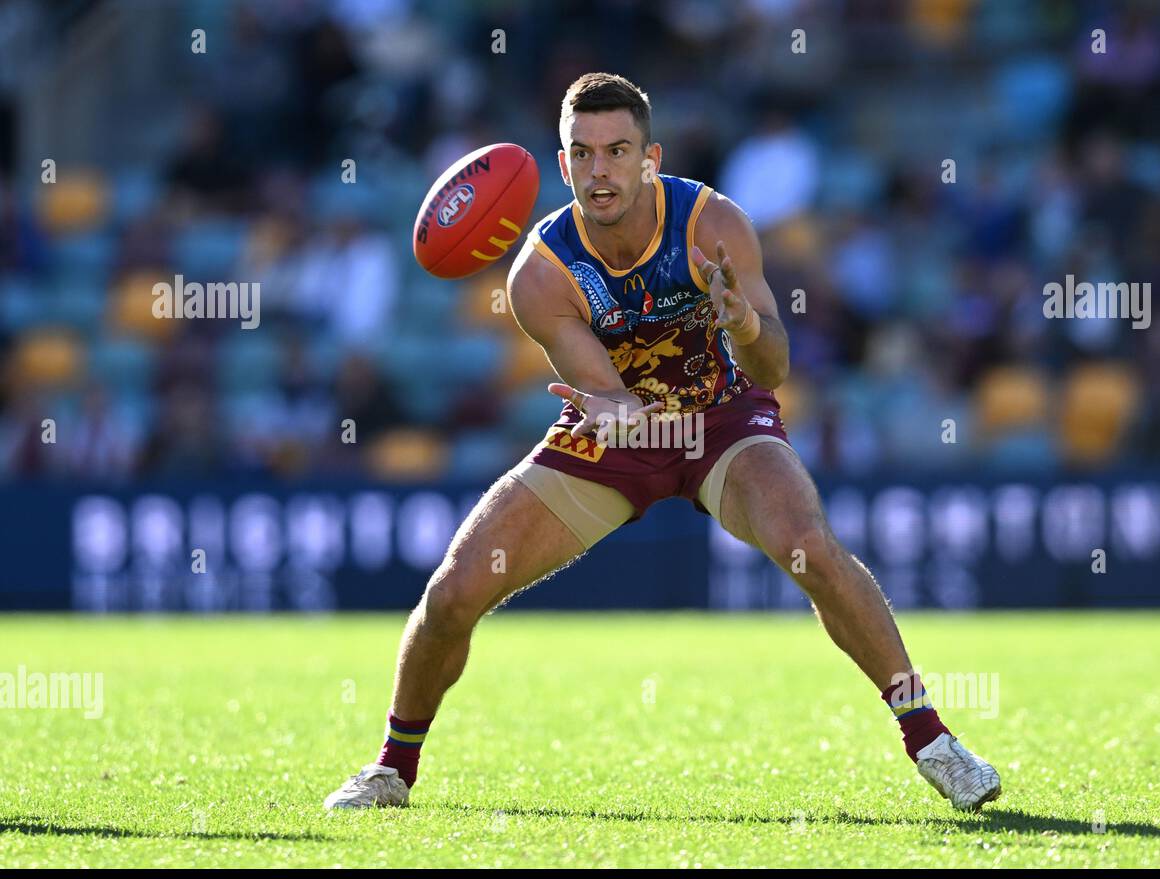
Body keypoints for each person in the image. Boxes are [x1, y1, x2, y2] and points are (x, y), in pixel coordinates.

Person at [325, 73, 1000, 813]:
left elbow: (772, 369)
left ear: (651, 158)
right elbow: (608, 394)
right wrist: (614, 411)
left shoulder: (713, 224)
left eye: (618, 151)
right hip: (617, 435)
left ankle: (931, 737)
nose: (600, 170)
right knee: (454, 592)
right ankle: (392, 769)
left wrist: (742, 323)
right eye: (582, 154)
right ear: (562, 165)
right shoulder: (540, 275)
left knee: (807, 543)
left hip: (720, 418)